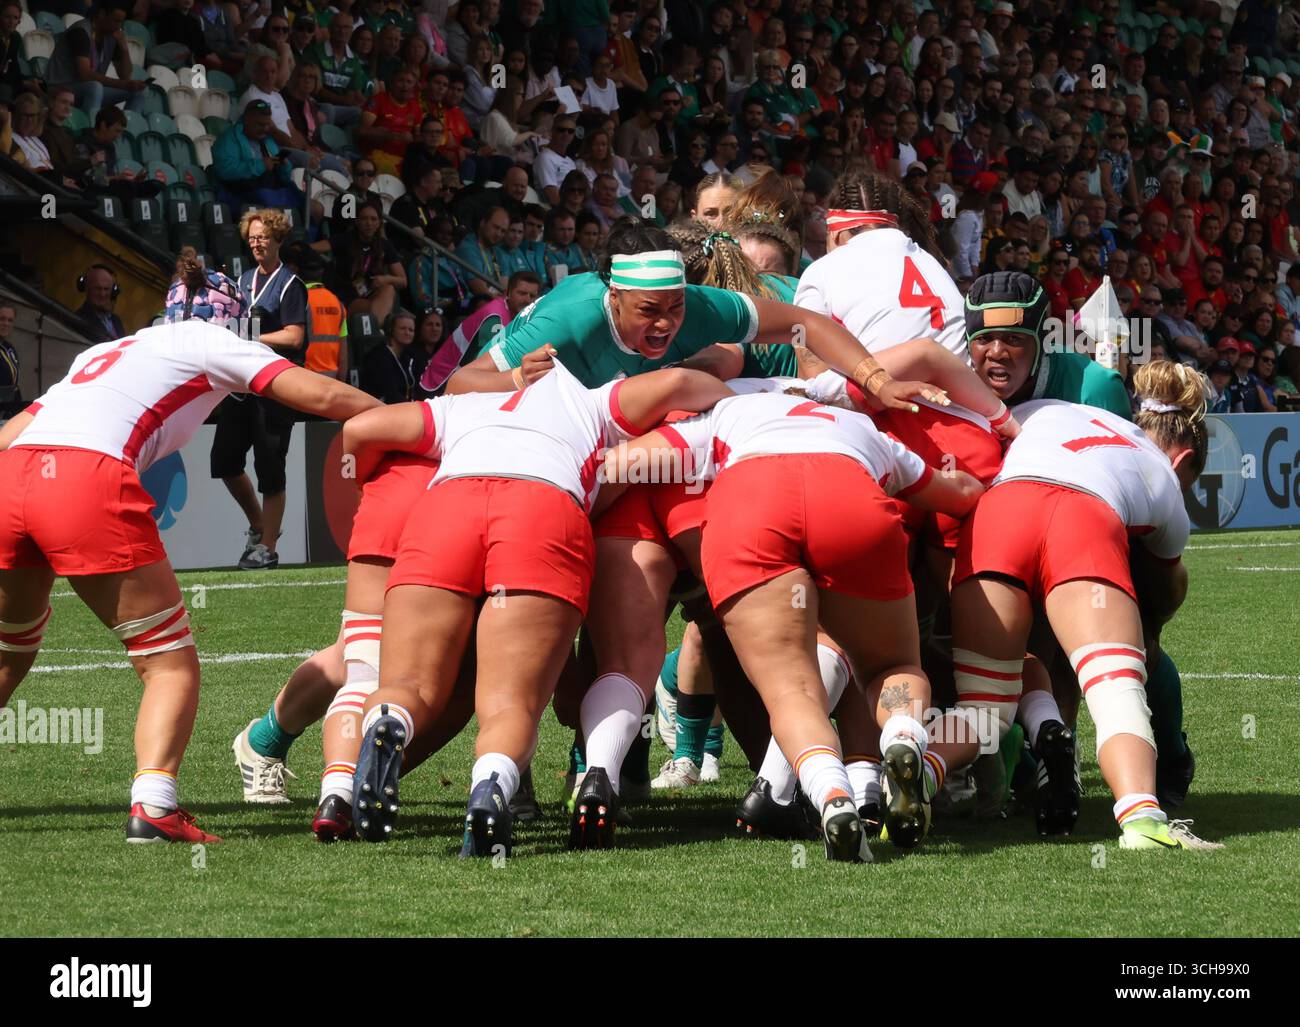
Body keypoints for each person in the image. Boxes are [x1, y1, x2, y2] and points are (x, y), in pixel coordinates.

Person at [0, 320, 377, 843]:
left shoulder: (109, 348)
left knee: (10, 651)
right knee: (167, 663)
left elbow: (16, 428)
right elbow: (319, 391)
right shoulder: (212, 339)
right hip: (84, 475)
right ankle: (153, 807)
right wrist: (415, 419)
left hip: (14, 474)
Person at [339, 360, 735, 855]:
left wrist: (364, 487)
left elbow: (360, 428)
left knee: (409, 684)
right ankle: (491, 787)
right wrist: (734, 398)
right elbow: (679, 382)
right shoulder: (592, 401)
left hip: (446, 506)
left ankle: (392, 720)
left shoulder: (468, 403)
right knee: (511, 702)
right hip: (541, 504)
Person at [604, 383, 985, 859]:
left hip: (751, 504)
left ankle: (832, 798)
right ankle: (902, 736)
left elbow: (618, 465)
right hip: (848, 494)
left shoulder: (724, 414)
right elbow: (962, 492)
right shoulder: (863, 427)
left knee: (791, 691)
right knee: (892, 666)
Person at [946, 365, 1221, 852]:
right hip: (1084, 521)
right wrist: (1146, 633)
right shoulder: (1160, 477)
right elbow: (1169, 587)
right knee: (1115, 683)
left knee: (985, 706)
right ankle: (1143, 818)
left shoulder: (1046, 411)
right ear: (1182, 462)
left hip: (999, 512)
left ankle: (911, 769)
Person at [210, 210, 310, 571]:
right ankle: (257, 524)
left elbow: (294, 336)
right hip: (241, 388)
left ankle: (267, 547)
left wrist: (251, 337)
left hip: (275, 388)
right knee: (224, 461)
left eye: (263, 236)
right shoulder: (243, 279)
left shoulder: (290, 284)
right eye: (251, 236)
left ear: (278, 239)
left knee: (270, 469)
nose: (255, 242)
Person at [965, 271, 1131, 417]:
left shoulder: (1097, 390)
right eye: (984, 339)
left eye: (1014, 339)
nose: (996, 353)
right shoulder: (947, 387)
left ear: (1044, 341)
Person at [418, 270, 540, 395]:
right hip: (442, 381)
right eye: (522, 293)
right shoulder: (495, 318)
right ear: (507, 293)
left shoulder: (515, 316)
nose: (527, 300)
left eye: (532, 296)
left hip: (458, 381)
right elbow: (485, 363)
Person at [44, 0, 148, 121]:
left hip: (88, 90)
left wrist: (124, 48)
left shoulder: (112, 36)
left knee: (139, 91)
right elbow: (85, 75)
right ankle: (90, 132)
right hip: (60, 87)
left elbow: (125, 74)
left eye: (121, 22)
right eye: (115, 21)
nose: (118, 26)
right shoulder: (81, 31)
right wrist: (122, 84)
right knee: (94, 87)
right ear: (102, 14)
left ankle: (125, 134)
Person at [212, 100, 304, 212]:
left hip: (273, 189)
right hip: (242, 193)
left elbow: (284, 178)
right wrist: (261, 165)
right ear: (246, 119)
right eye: (260, 124)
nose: (265, 128)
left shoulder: (268, 140)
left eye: (267, 124)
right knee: (274, 207)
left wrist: (284, 166)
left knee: (314, 208)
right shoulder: (228, 140)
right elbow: (225, 171)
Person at [325, 198, 406, 324]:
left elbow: (403, 280)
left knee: (389, 288)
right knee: (372, 309)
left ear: (379, 222)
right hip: (347, 298)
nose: (369, 223)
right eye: (364, 219)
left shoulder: (384, 245)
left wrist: (385, 279)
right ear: (357, 221)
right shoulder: (345, 239)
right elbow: (314, 248)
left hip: (371, 296)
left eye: (373, 219)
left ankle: (374, 330)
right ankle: (376, 331)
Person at [360, 309, 417, 403]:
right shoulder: (379, 356)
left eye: (411, 330)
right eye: (402, 328)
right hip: (379, 408)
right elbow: (390, 393)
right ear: (391, 329)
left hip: (401, 407)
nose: (407, 333)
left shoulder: (407, 357)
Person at [75, 265, 126, 345]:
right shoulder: (79, 320)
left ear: (113, 293)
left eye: (106, 289)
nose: (102, 294)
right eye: (97, 288)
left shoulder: (116, 320)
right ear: (87, 289)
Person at [0, 302, 20, 418]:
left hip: (8, 412)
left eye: (10, 320)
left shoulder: (9, 349)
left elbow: (15, 385)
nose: (6, 323)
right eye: (2, 319)